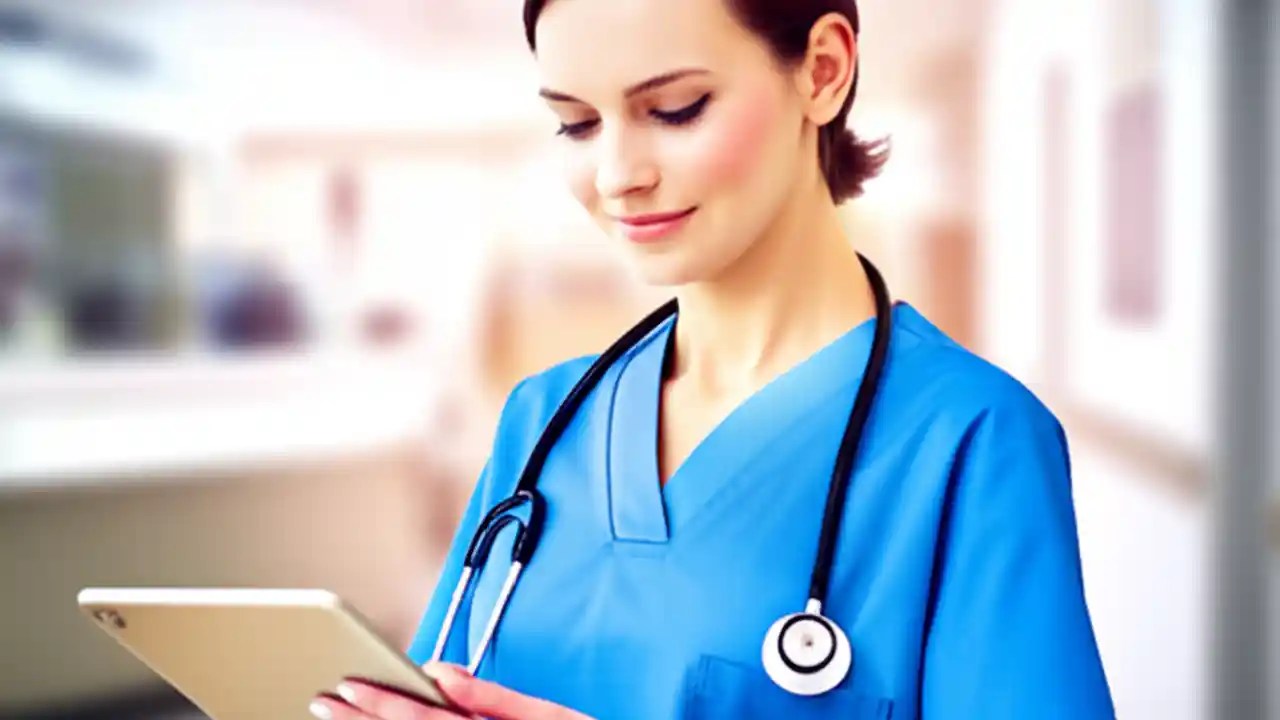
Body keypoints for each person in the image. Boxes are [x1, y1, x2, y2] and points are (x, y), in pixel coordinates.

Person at [310, 0, 1115, 718]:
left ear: (824, 72)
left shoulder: (969, 440)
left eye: (674, 108)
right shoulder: (545, 419)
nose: (617, 175)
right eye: (577, 123)